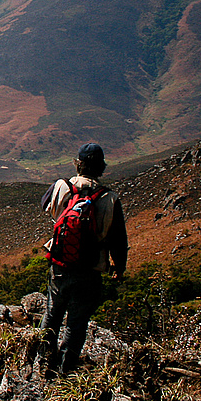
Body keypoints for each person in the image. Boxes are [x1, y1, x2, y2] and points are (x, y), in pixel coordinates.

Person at [39, 142, 128, 375]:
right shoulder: (110, 199)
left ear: (77, 163)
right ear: (102, 168)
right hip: (90, 268)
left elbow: (44, 205)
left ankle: (41, 362)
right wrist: (119, 268)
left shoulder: (62, 186)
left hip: (60, 264)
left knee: (52, 314)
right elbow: (118, 239)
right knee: (76, 324)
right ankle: (64, 371)